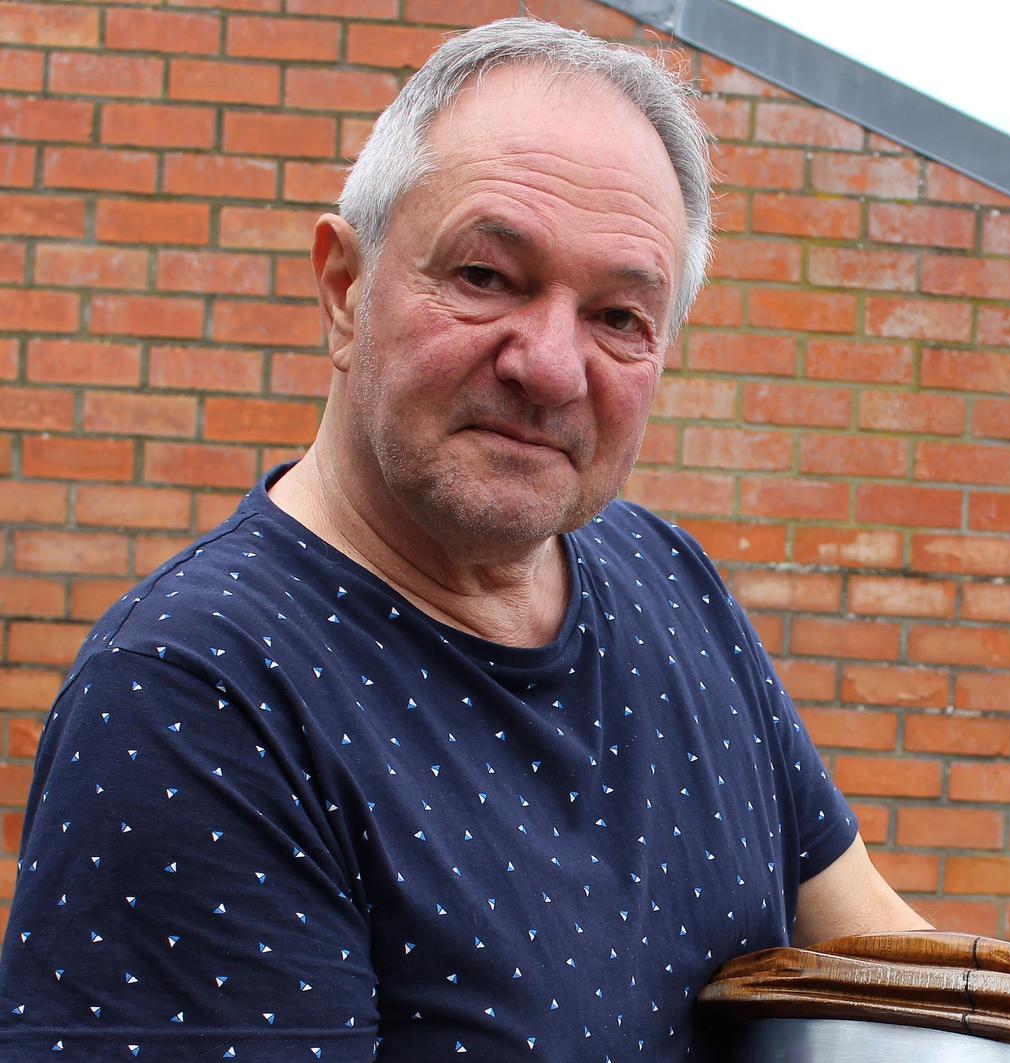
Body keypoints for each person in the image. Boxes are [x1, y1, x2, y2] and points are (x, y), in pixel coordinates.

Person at [0, 18, 927, 1059]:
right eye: (488, 276)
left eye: (620, 315)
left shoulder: (669, 583)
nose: (549, 365)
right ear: (345, 288)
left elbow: (888, 966)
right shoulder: (194, 700)